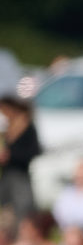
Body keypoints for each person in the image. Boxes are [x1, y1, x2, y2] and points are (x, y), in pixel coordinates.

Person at [0, 94, 42, 222]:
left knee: (22, 212)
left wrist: (10, 156)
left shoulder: (26, 126)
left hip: (20, 175)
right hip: (7, 176)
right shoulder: (7, 129)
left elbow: (34, 151)